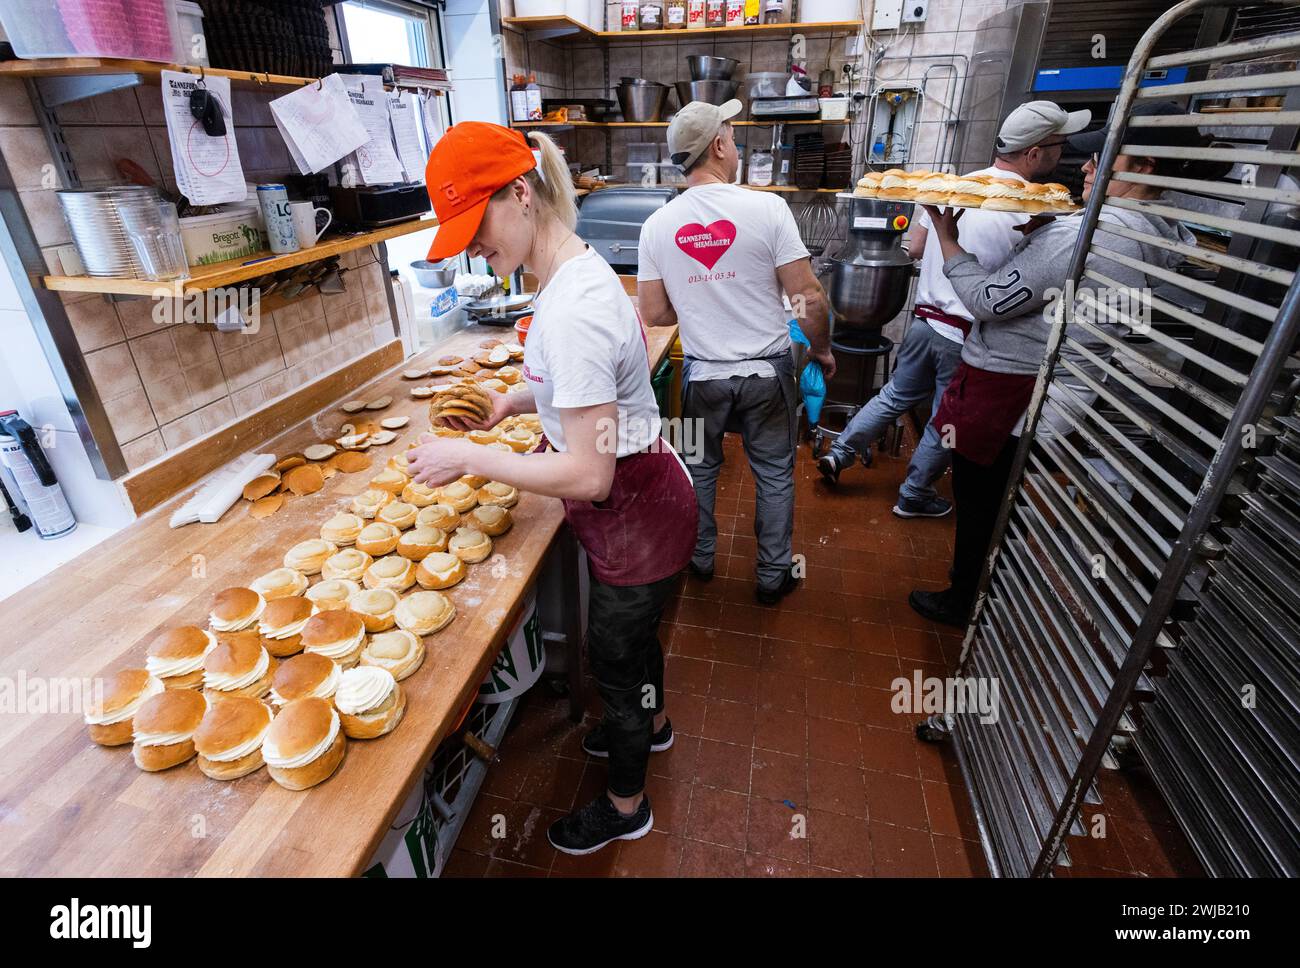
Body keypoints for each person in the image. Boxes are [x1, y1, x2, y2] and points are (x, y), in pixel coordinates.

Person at [405, 122, 699, 855]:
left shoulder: (571, 309)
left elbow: (586, 472)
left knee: (616, 659)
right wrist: (513, 403)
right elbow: (579, 391)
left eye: (477, 227)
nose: (474, 248)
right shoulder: (572, 273)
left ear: (521, 193)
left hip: (634, 508)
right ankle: (653, 728)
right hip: (640, 499)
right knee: (631, 650)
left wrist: (472, 456)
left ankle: (627, 804)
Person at [907, 100, 1206, 632]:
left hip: (1017, 389)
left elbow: (988, 303)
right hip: (1065, 386)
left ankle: (967, 601)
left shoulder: (1084, 234)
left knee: (982, 502)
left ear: (1143, 168)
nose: (1085, 168)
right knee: (1005, 499)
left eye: (1100, 160)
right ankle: (993, 588)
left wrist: (948, 241)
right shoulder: (1166, 233)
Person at [816, 100, 1092, 521]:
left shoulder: (949, 190)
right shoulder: (1029, 211)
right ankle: (913, 493)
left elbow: (916, 248)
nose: (1065, 153)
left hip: (924, 322)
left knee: (893, 395)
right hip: (966, 336)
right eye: (1060, 144)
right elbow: (1007, 292)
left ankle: (840, 453)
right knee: (946, 422)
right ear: (1035, 153)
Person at [637, 99, 835, 605]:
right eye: (731, 133)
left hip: (703, 375)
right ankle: (771, 576)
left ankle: (700, 560)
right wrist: (821, 348)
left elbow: (655, 314)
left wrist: (700, 293)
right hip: (767, 375)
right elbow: (806, 297)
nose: (736, 144)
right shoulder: (766, 208)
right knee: (772, 473)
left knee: (699, 469)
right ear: (720, 146)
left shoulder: (658, 225)